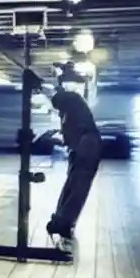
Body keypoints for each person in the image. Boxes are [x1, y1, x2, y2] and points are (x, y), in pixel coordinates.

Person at [46, 85, 100, 251]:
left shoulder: (69, 103)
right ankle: (61, 221)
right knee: (73, 186)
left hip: (87, 145)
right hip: (84, 145)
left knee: (77, 187)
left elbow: (68, 130)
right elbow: (68, 131)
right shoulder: (73, 106)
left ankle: (62, 222)